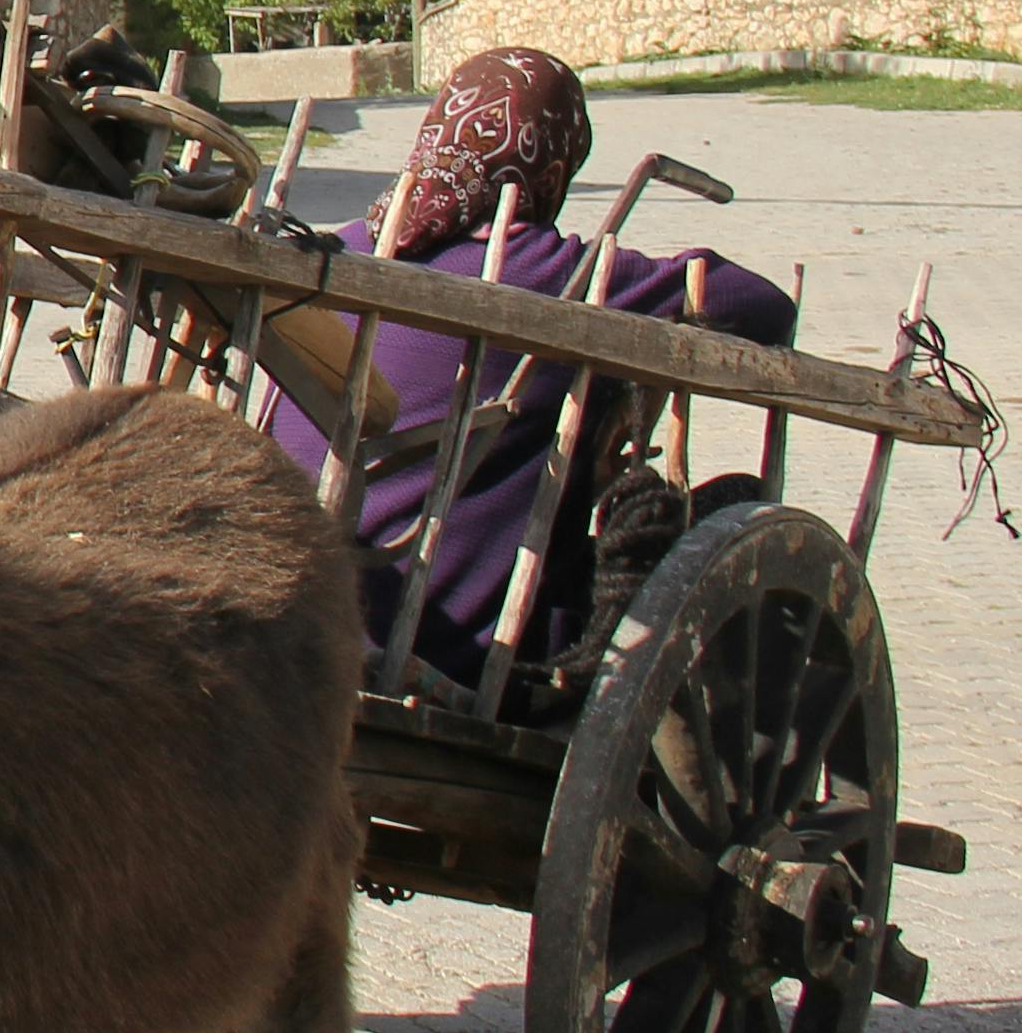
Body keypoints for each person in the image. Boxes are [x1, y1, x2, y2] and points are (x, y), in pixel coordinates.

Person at [267, 47, 792, 690]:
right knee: (731, 510)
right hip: (462, 656)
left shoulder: (333, 250)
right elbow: (762, 305)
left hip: (285, 624)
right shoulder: (560, 275)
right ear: (551, 170)